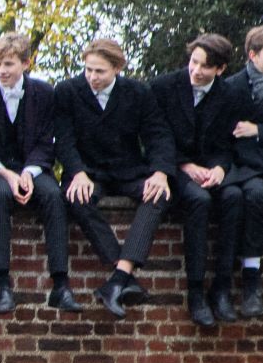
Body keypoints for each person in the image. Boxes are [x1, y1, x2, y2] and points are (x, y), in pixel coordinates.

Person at [53, 37, 172, 320]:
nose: (92, 77)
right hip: (88, 172)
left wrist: (160, 173)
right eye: (88, 70)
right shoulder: (67, 91)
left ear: (117, 68)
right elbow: (64, 140)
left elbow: (158, 135)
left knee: (160, 195)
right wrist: (77, 172)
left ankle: (118, 278)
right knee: (76, 199)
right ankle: (123, 278)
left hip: (127, 170)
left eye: (100, 71)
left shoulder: (138, 93)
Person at [0, 32, 73, 314]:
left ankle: (61, 284)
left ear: (26, 63)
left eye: (9, 64)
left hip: (32, 167)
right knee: (0, 196)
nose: (1, 70)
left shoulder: (44, 93)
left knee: (53, 196)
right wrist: (5, 173)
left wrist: (29, 172)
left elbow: (47, 140)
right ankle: (3, 284)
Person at [151, 33, 243, 328]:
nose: (196, 70)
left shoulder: (229, 95)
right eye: (194, 62)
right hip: (175, 167)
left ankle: (222, 287)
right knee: (199, 201)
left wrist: (220, 169)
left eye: (205, 66)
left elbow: (227, 143)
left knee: (234, 197)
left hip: (211, 169)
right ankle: (196, 292)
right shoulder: (163, 87)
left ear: (220, 69)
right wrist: (184, 165)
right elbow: (155, 137)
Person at [225, 25, 263, 317]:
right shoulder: (231, 87)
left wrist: (258, 130)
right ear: (253, 55)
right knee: (245, 197)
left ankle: (251, 280)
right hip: (239, 166)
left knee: (256, 195)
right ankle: (243, 281)